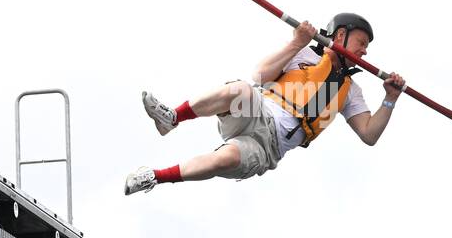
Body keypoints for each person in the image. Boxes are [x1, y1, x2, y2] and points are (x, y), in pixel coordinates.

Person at [124, 13, 405, 194]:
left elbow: (369, 134)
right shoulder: (305, 54)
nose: (365, 50)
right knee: (241, 89)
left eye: (367, 46)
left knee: (226, 159)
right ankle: (173, 118)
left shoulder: (350, 91)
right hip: (257, 111)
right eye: (362, 41)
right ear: (341, 35)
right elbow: (260, 75)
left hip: (270, 146)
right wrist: (296, 42)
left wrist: (390, 99)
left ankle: (155, 177)